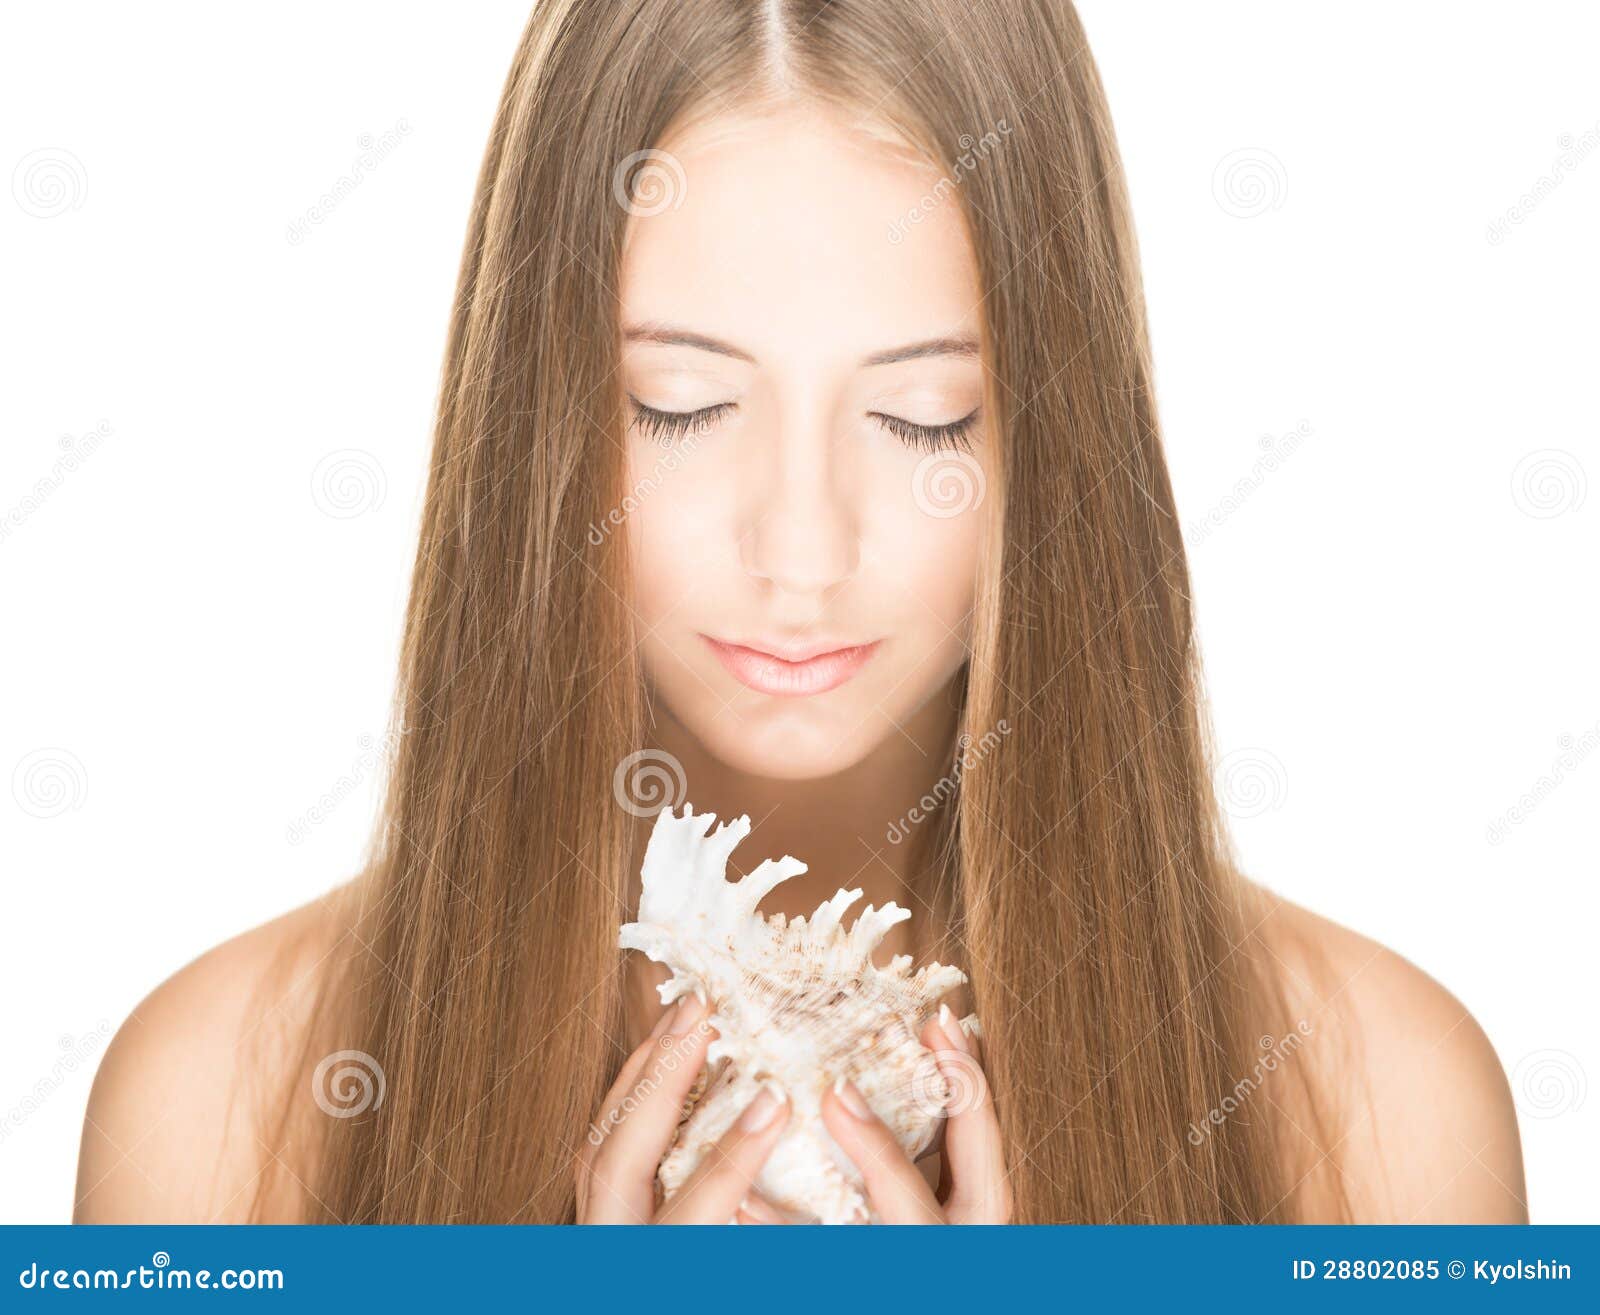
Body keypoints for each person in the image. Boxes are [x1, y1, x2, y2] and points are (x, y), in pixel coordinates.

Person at [75, 0, 1525, 1225]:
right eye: (681, 406)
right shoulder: (220, 1111)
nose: (803, 548)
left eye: (924, 418)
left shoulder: (1380, 1112)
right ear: (541, 422)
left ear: (1053, 436)